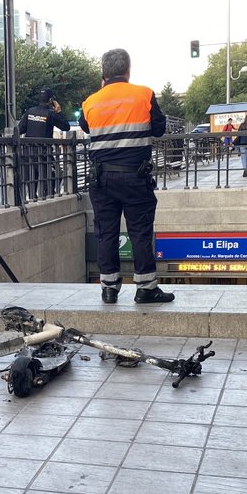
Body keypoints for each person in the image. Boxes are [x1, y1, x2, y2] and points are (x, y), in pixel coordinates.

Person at [79, 48, 173, 304]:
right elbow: (159, 128)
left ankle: (109, 289)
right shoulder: (144, 94)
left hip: (101, 180)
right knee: (140, 232)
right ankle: (145, 288)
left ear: (104, 73)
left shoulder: (90, 102)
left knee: (106, 233)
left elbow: (86, 126)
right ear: (128, 71)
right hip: (135, 177)